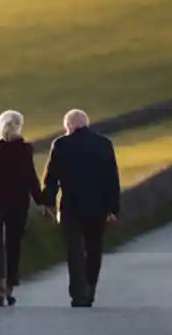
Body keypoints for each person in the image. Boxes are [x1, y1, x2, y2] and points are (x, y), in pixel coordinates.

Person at [40, 109, 121, 307]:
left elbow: (51, 178)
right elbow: (112, 179)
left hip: (71, 206)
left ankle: (78, 293)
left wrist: (48, 203)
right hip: (98, 207)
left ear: (69, 126)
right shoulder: (104, 144)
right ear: (86, 124)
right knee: (94, 248)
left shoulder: (61, 144)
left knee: (74, 250)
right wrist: (113, 209)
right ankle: (90, 287)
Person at [0, 110, 44, 307]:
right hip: (17, 203)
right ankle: (10, 286)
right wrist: (42, 201)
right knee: (14, 243)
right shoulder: (24, 149)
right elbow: (30, 177)